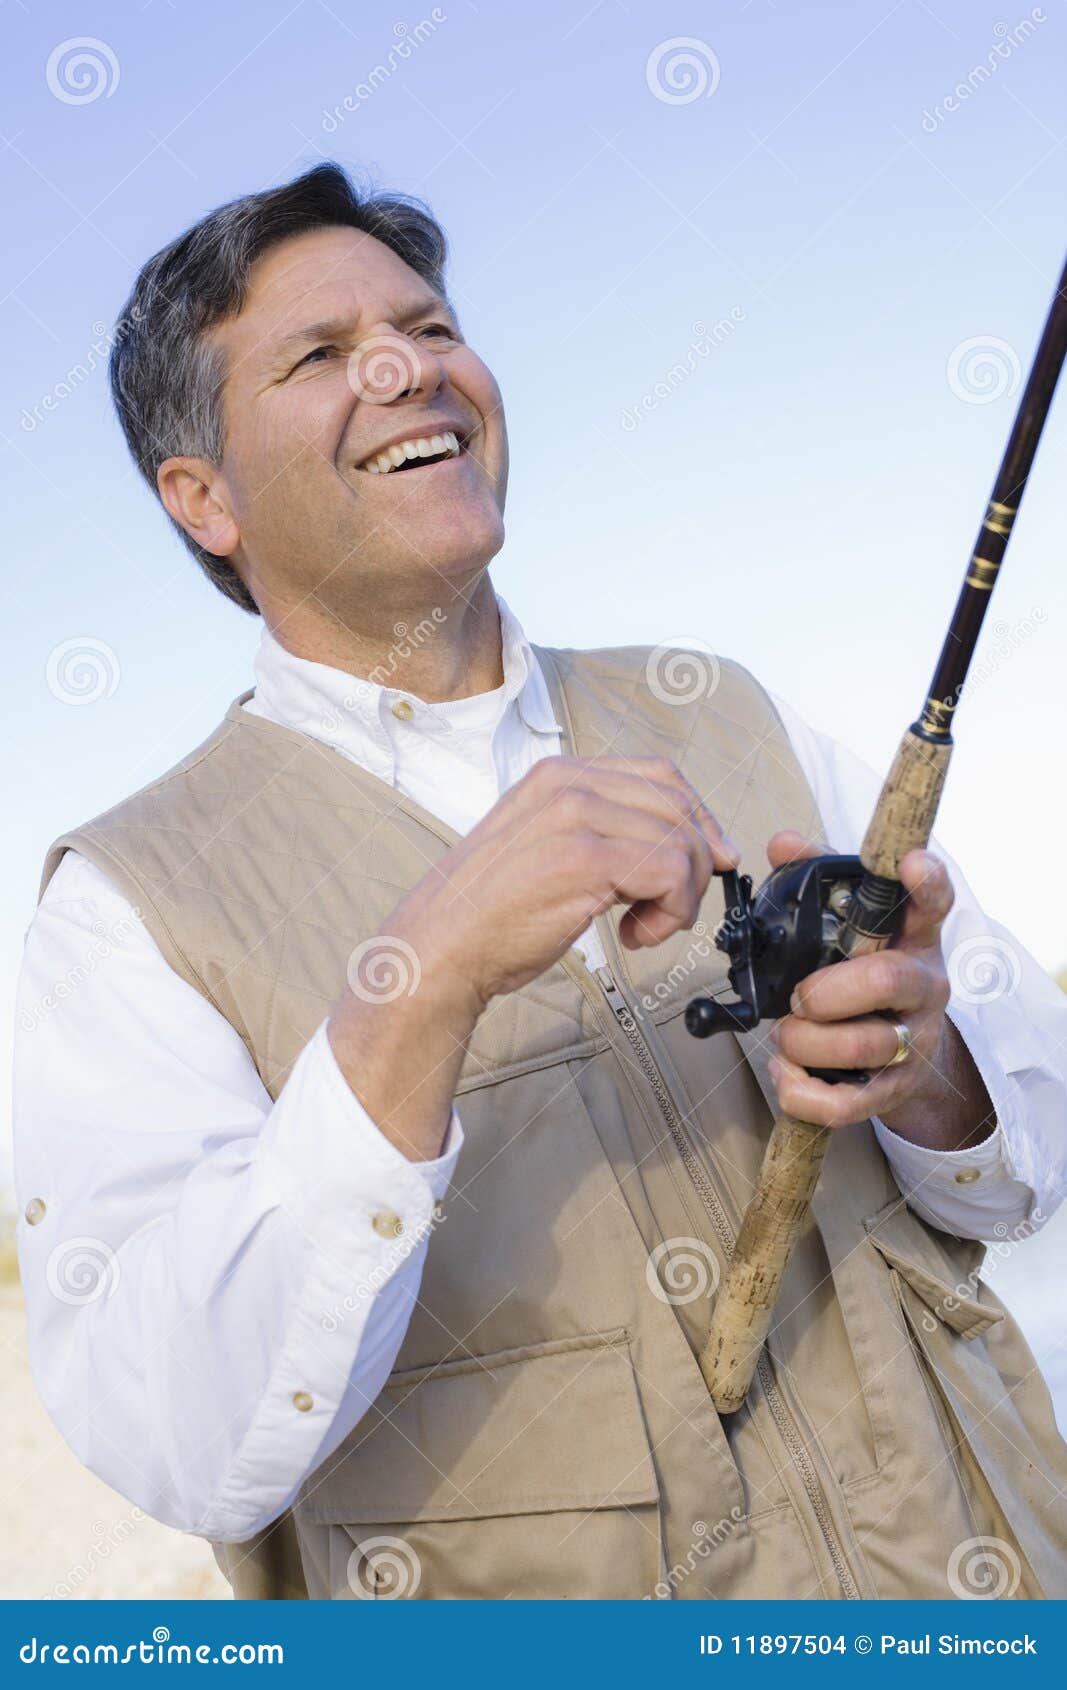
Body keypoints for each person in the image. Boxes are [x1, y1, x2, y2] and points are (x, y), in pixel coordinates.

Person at [14, 163, 1067, 1602]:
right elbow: (183, 1439)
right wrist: (419, 980)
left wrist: (926, 1057)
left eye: (430, 326)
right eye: (321, 355)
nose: (407, 370)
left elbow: (1026, 1173)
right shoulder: (126, 903)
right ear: (201, 498)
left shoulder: (735, 709)